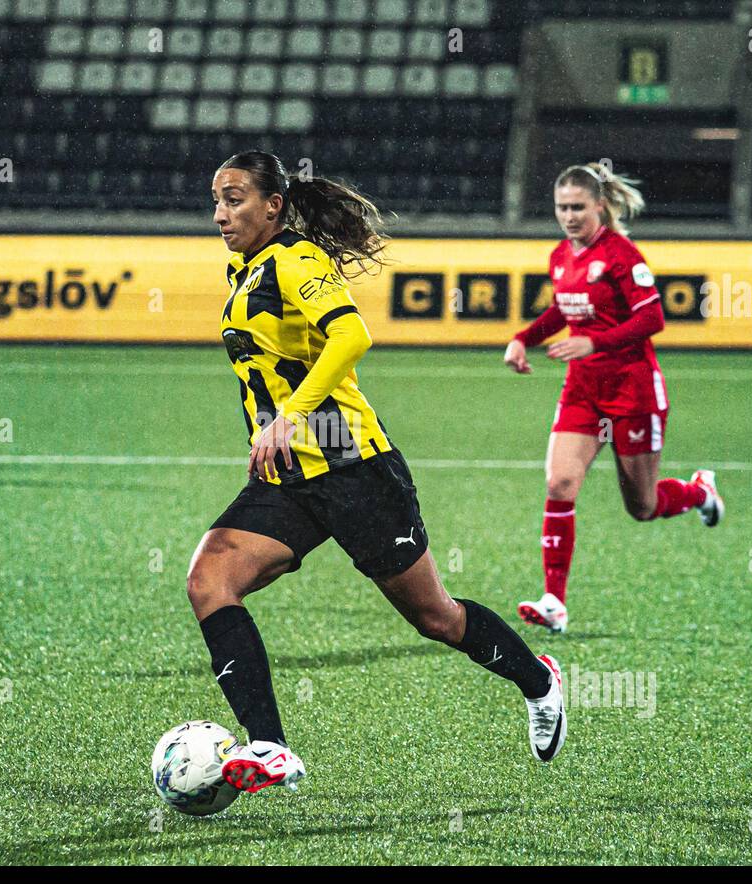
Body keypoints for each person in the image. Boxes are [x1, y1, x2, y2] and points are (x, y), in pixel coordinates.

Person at [189, 151, 567, 795]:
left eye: (234, 200)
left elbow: (352, 336)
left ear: (273, 205)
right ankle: (270, 748)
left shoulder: (296, 260)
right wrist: (271, 429)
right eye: (216, 201)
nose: (220, 214)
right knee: (209, 580)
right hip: (288, 474)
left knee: (436, 619)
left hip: (353, 465)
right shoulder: (242, 267)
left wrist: (291, 416)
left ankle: (539, 681)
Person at [505, 163, 723, 635]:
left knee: (641, 507)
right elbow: (563, 310)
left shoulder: (623, 255)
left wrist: (595, 343)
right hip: (583, 389)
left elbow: (653, 320)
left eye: (577, 207)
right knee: (560, 483)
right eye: (562, 207)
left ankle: (699, 492)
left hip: (633, 390)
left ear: (599, 205)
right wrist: (524, 337)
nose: (568, 216)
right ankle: (554, 602)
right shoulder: (561, 256)